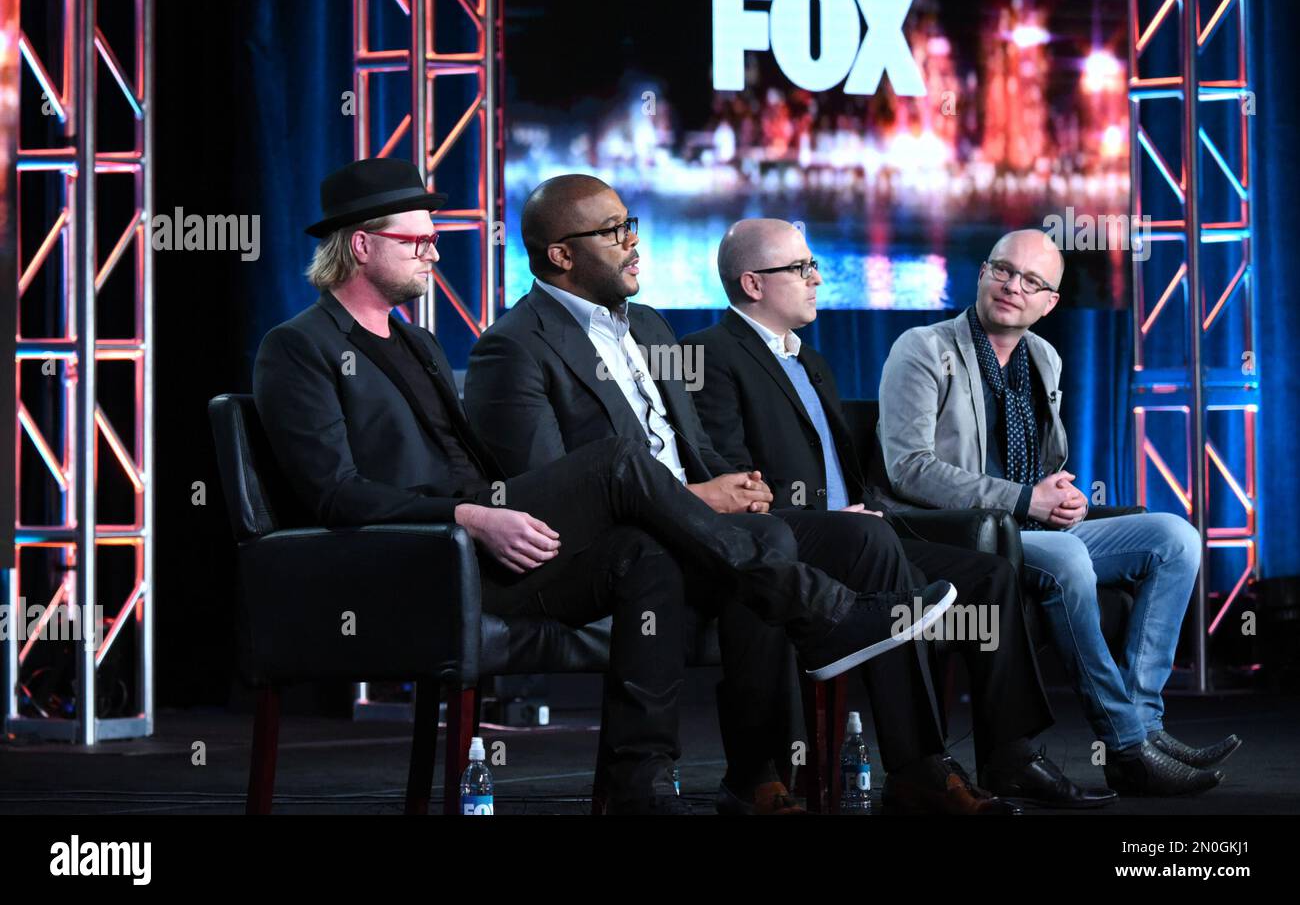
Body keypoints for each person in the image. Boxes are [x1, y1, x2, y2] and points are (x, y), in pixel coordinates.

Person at [252, 158, 952, 815]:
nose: (435, 254)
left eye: (434, 241)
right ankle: (822, 613)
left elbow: (477, 466)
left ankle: (637, 780)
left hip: (491, 534)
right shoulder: (298, 346)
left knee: (655, 556)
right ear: (363, 245)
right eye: (418, 242)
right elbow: (335, 492)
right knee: (617, 459)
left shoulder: (418, 343)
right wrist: (468, 514)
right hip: (422, 555)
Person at [464, 175, 1095, 813]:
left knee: (863, 535)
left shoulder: (649, 328)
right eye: (612, 231)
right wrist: (702, 501)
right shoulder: (513, 346)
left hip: (698, 525)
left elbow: (699, 452)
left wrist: (733, 490)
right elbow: (559, 494)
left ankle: (918, 767)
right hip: (607, 548)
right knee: (760, 542)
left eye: (631, 226)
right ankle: (760, 766)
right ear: (561, 255)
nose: (633, 243)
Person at [682, 217, 1114, 809]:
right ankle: (916, 766)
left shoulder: (811, 361)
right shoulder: (709, 353)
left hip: (853, 535)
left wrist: (857, 513)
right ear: (754, 284)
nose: (817, 278)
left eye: (814, 265)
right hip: (780, 542)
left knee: (990, 576)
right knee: (875, 548)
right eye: (801, 268)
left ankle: (1009, 754)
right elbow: (729, 482)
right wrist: (832, 519)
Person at [877, 228, 1241, 795]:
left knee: (1176, 537)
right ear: (981, 274)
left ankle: (1145, 720)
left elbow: (1046, 464)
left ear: (1049, 303)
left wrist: (1062, 496)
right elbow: (909, 470)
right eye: (1002, 270)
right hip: (963, 534)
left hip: (1031, 524)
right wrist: (1026, 499)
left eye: (1032, 282)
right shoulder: (923, 348)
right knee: (1069, 555)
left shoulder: (1044, 357)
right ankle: (1126, 744)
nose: (1011, 287)